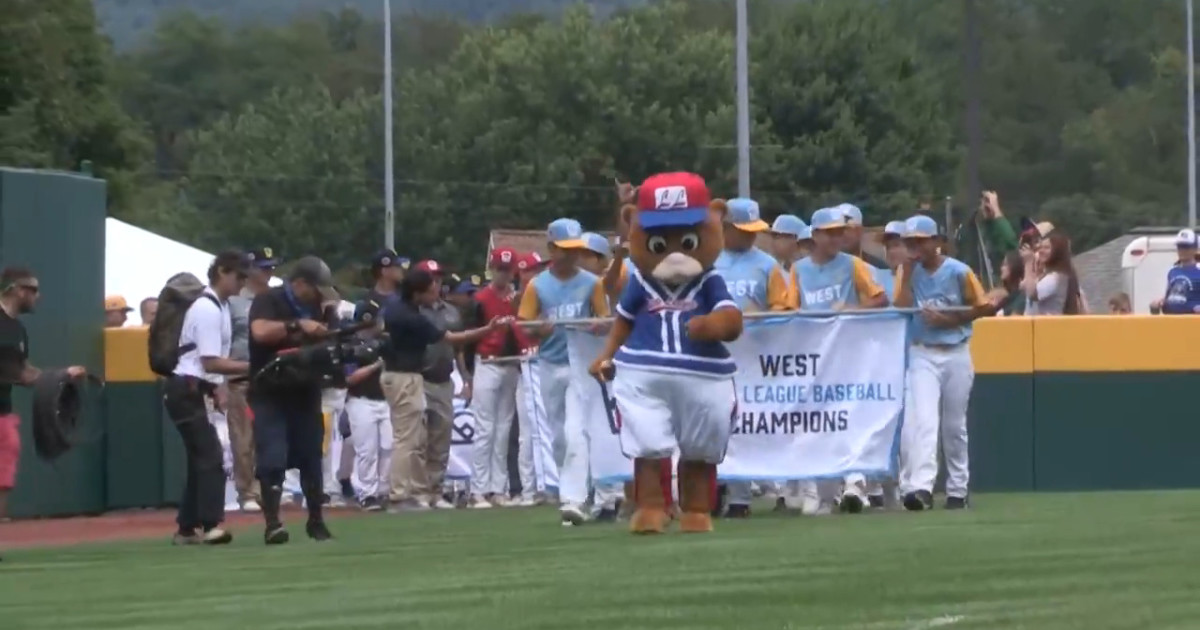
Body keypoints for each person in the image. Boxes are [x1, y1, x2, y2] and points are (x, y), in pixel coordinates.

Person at [383, 268, 512, 512]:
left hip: (405, 376)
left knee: (414, 438)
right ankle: (400, 496)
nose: (436, 291)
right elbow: (451, 339)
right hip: (405, 376)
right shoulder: (410, 315)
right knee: (408, 440)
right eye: (431, 288)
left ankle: (414, 493)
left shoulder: (398, 308)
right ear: (417, 292)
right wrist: (488, 330)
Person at [893, 215, 992, 511]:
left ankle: (958, 489)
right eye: (910, 242)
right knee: (924, 421)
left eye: (921, 241)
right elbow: (900, 307)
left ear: (937, 242)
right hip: (922, 351)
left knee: (953, 425)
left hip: (956, 350)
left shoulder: (958, 271)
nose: (915, 248)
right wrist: (908, 273)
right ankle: (922, 488)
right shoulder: (908, 271)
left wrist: (949, 320)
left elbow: (983, 305)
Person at [792, 207, 887, 514]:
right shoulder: (799, 270)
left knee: (849, 416)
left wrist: (848, 309)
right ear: (815, 235)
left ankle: (855, 484)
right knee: (819, 421)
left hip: (849, 353)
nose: (836, 238)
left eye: (839, 233)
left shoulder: (852, 265)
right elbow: (789, 309)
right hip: (814, 357)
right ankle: (824, 492)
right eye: (829, 233)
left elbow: (878, 298)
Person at [519, 218, 614, 525]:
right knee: (559, 438)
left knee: (576, 431)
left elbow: (606, 320)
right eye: (564, 249)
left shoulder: (592, 283)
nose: (571, 255)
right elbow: (524, 324)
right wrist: (539, 330)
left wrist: (598, 326)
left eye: (575, 249)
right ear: (551, 249)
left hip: (581, 366)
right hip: (550, 364)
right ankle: (580, 488)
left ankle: (573, 499)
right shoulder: (537, 285)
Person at [247, 255, 341, 544]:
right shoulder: (268, 300)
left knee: (312, 456)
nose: (318, 297)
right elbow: (260, 331)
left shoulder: (320, 307)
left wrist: (330, 326)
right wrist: (297, 325)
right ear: (299, 283)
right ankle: (273, 523)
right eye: (315, 290)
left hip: (305, 389)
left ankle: (316, 520)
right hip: (270, 390)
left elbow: (332, 343)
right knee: (272, 456)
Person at [0, 267, 87, 560]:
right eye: (32, 290)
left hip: (3, 410)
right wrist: (59, 375)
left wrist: (60, 376)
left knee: (4, 473)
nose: (37, 296)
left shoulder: (17, 328)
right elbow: (16, 374)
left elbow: (23, 371)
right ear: (14, 289)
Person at [164, 251, 250, 545]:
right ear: (223, 272)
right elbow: (211, 361)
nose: (242, 283)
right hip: (186, 388)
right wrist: (250, 367)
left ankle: (187, 528)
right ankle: (211, 524)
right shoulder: (208, 309)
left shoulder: (219, 307)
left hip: (191, 388)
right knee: (211, 456)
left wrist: (218, 388)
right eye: (239, 276)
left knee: (200, 458)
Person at [713, 197, 791, 518]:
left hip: (753, 356)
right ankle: (713, 488)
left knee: (746, 424)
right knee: (712, 423)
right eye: (743, 230)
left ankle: (741, 497)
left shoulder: (767, 265)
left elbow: (784, 308)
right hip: (713, 354)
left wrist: (761, 316)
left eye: (753, 230)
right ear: (726, 228)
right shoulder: (708, 261)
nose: (750, 236)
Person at [469, 248, 529, 509]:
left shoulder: (518, 299)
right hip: (488, 362)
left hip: (510, 364)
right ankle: (478, 489)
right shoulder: (480, 298)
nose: (503, 274)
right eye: (499, 269)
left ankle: (498, 487)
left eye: (507, 269)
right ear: (492, 269)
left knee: (504, 428)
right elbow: (469, 337)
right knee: (485, 427)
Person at [224, 246, 278, 513]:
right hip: (240, 376)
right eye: (264, 267)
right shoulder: (234, 302)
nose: (269, 272)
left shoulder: (272, 299)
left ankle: (268, 487)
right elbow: (224, 341)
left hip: (269, 375)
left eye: (271, 267)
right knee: (243, 438)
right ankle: (247, 491)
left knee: (268, 436)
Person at [414, 259, 468, 510]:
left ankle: (435, 491)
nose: (436, 284)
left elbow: (458, 350)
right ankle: (418, 491)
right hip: (417, 377)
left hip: (443, 378)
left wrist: (466, 378)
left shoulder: (452, 312)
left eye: (438, 279)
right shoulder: (411, 311)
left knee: (441, 438)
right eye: (430, 279)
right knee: (417, 439)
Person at [343, 298, 390, 511]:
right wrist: (376, 366)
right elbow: (350, 378)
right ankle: (367, 493)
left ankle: (384, 490)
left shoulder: (385, 342)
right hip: (361, 401)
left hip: (385, 400)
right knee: (367, 450)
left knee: (389, 447)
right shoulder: (350, 346)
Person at [1023, 229, 1082, 316]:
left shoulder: (1055, 277)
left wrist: (1028, 263)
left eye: (1046, 248)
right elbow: (1023, 286)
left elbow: (1032, 294)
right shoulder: (1061, 275)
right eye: (1040, 247)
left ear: (1058, 251)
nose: (1040, 250)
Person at [1151, 229, 1200, 315]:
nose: (1182, 250)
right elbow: (1170, 297)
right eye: (1179, 246)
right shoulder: (1173, 271)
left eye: (1186, 247)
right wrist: (1158, 304)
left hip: (1193, 323)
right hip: (1172, 321)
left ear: (1195, 249)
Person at [835, 203, 889, 269]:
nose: (843, 234)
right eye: (837, 229)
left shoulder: (878, 267)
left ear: (860, 231)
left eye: (848, 229)